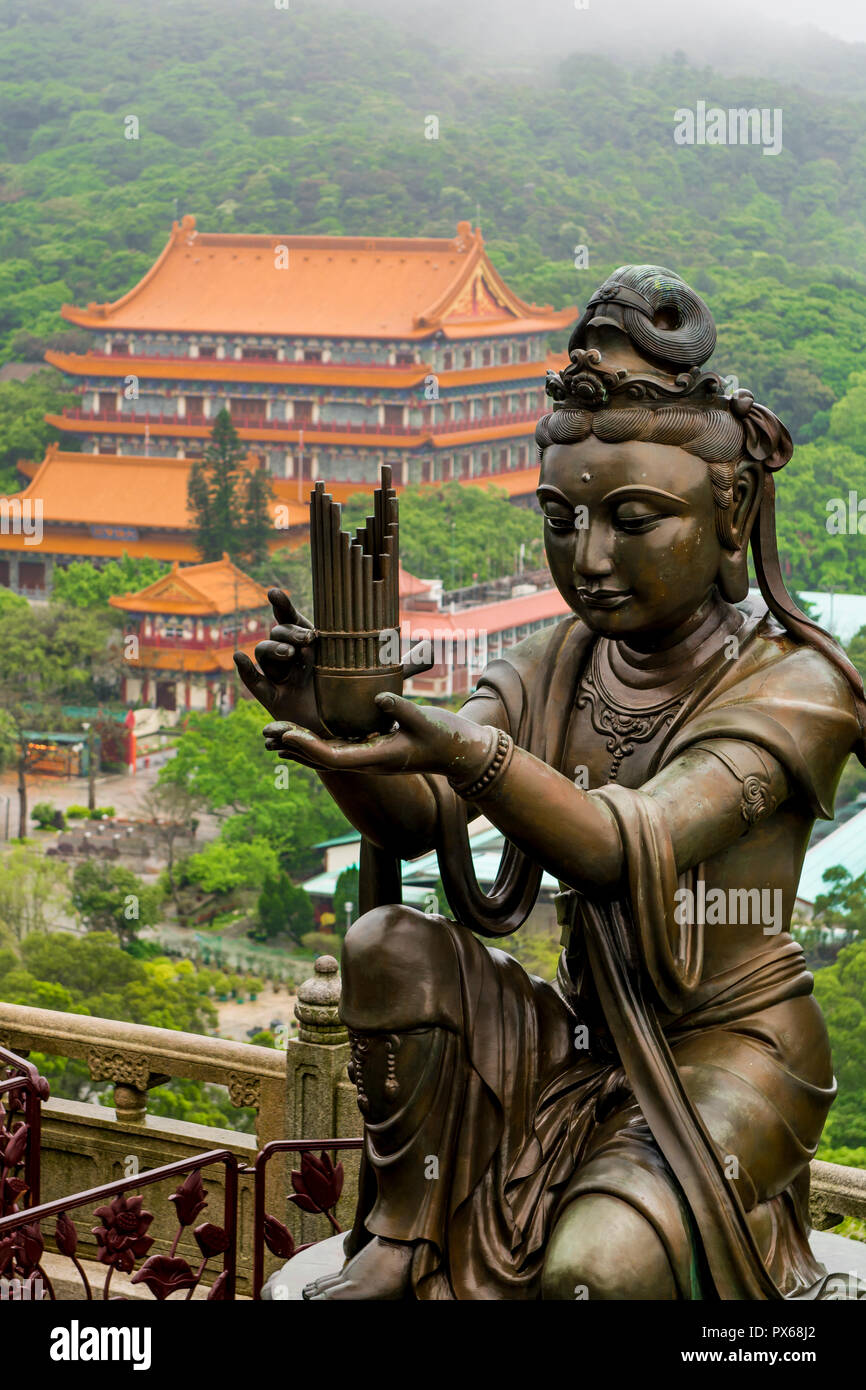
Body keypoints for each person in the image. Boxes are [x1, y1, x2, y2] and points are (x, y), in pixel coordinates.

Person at [235, 266, 866, 1300]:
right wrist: (346, 733)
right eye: (561, 517)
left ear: (731, 510)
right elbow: (424, 813)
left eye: (630, 517)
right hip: (577, 1038)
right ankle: (405, 1235)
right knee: (383, 944)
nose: (589, 555)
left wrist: (455, 749)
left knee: (593, 1273)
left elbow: (620, 844)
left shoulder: (794, 684)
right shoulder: (554, 658)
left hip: (730, 1056)